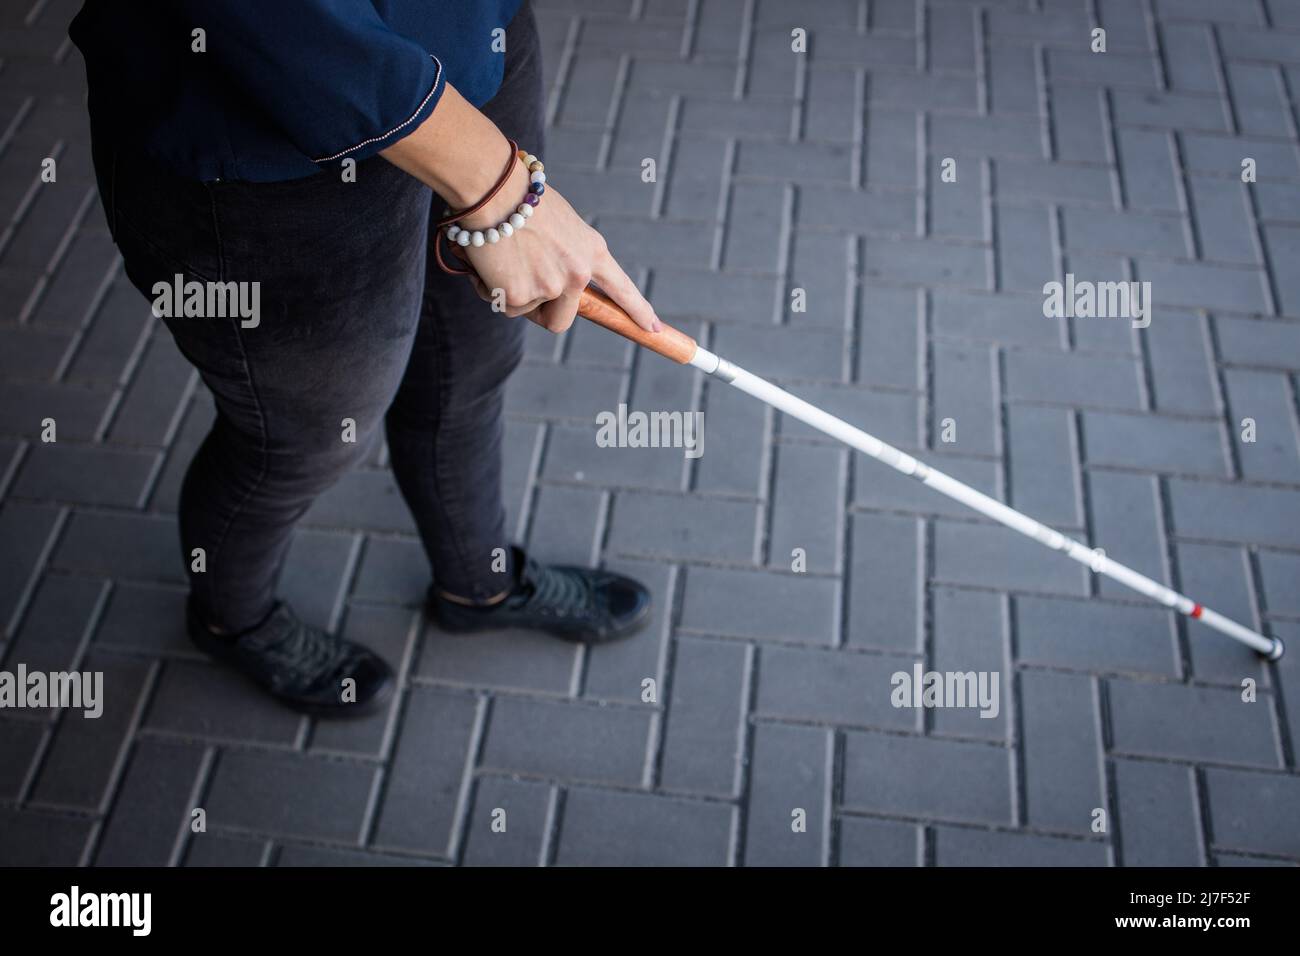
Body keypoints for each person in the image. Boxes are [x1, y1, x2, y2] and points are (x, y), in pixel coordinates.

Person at [69, 0, 661, 717]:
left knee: (474, 363)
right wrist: (502, 190)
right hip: (262, 138)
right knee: (301, 439)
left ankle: (480, 582)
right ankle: (233, 618)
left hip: (473, 38)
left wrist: (493, 181)